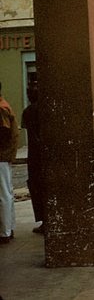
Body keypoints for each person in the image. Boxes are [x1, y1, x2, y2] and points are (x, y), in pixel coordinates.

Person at [22, 80, 45, 234]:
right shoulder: (44, 110)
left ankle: (44, 219)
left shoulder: (28, 111)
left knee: (37, 187)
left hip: (35, 155)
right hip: (43, 154)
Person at [0, 81, 20, 244]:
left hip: (1, 155)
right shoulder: (4, 105)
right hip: (5, 156)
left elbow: (4, 133)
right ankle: (9, 227)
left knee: (3, 194)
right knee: (7, 193)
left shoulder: (1, 108)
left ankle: (5, 231)